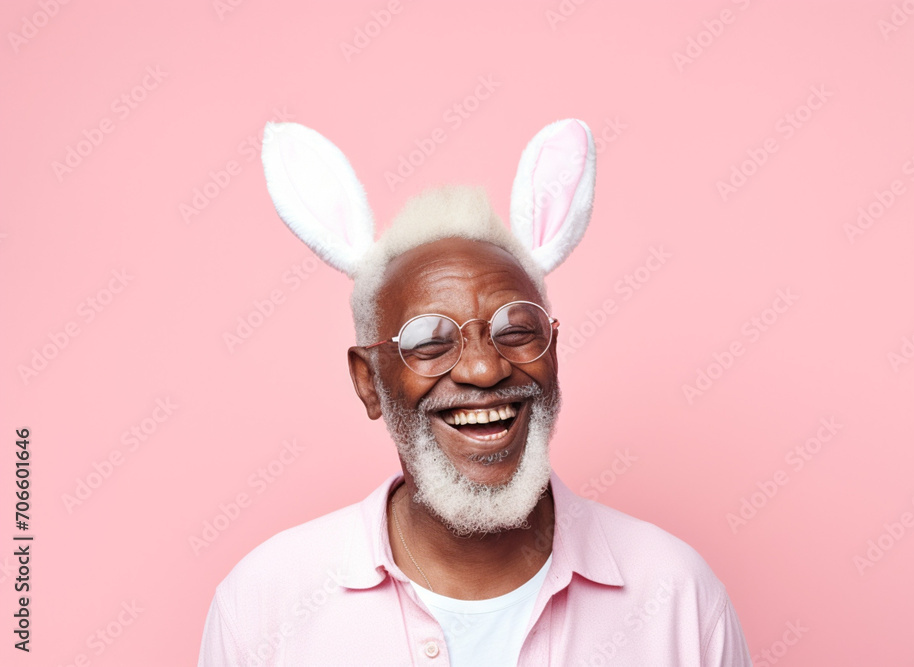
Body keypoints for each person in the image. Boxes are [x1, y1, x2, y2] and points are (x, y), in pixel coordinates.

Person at [197, 119, 753, 666]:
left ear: (553, 353)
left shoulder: (678, 596)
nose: (486, 370)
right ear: (369, 382)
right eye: (430, 341)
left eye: (516, 331)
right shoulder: (264, 605)